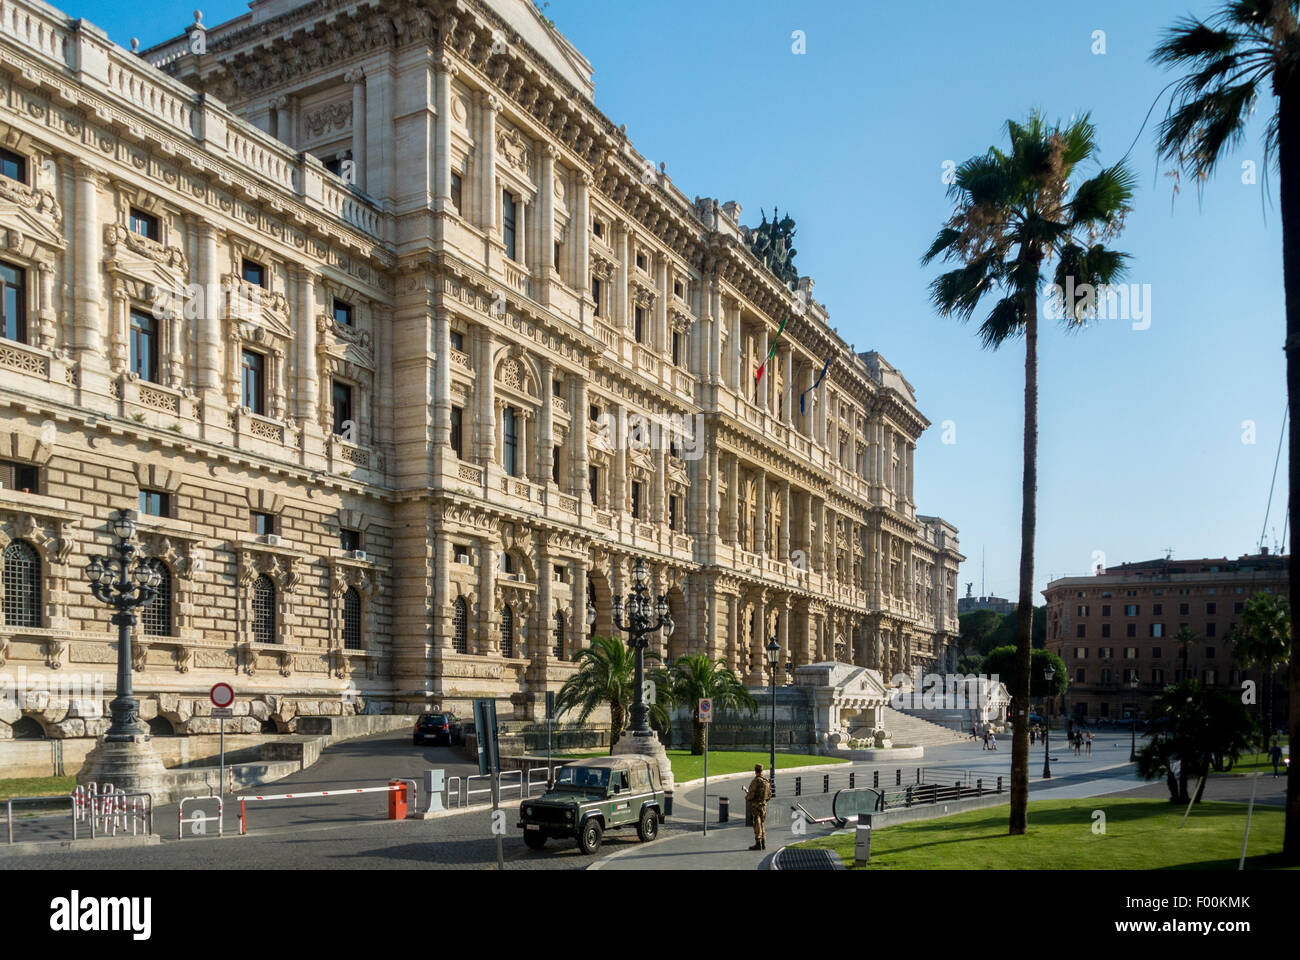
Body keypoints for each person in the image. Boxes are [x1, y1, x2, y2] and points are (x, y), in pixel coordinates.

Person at [746, 764, 772, 851]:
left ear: (755, 771)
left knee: (757, 824)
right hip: (763, 806)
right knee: (762, 824)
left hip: (756, 806)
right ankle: (763, 842)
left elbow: (751, 794)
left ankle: (758, 843)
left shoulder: (755, 781)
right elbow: (769, 795)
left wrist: (747, 797)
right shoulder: (766, 781)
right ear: (762, 771)